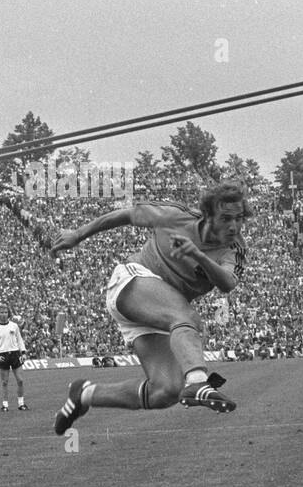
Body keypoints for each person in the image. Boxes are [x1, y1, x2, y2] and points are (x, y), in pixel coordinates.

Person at [50, 182, 250, 435]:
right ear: (209, 215)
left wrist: (198, 256)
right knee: (185, 317)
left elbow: (227, 283)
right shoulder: (175, 216)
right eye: (226, 218)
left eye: (239, 218)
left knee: (165, 392)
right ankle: (198, 381)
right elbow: (126, 214)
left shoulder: (235, 249)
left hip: (156, 312)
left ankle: (84, 395)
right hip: (132, 282)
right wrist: (78, 234)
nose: (234, 226)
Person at [0, 304, 28, 411]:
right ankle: (5, 405)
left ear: (8, 313)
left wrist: (23, 353)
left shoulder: (14, 326)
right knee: (4, 382)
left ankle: (21, 404)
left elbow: (19, 340)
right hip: (3, 355)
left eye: (5, 312)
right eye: (1, 312)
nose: (4, 314)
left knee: (20, 380)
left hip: (15, 354)